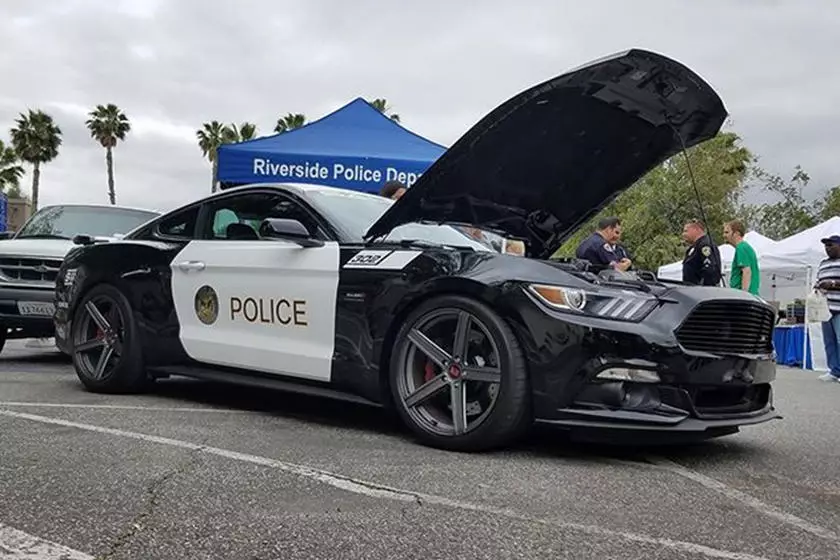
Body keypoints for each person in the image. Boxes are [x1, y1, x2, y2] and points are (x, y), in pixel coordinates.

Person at [814, 235, 840, 383]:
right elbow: (819, 281)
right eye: (826, 245)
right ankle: (834, 370)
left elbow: (830, 283)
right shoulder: (823, 263)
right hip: (825, 309)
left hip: (839, 308)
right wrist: (817, 287)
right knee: (829, 341)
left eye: (831, 245)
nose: (827, 248)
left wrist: (832, 284)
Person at [723, 219, 759, 295]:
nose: (724, 235)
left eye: (727, 232)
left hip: (744, 297)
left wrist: (743, 295)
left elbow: (746, 272)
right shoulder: (745, 247)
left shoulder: (741, 248)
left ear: (736, 233)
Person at [681, 219, 722, 286]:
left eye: (686, 231)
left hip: (701, 291)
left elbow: (710, 270)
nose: (683, 234)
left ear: (696, 229)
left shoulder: (705, 245)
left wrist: (702, 287)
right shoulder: (695, 247)